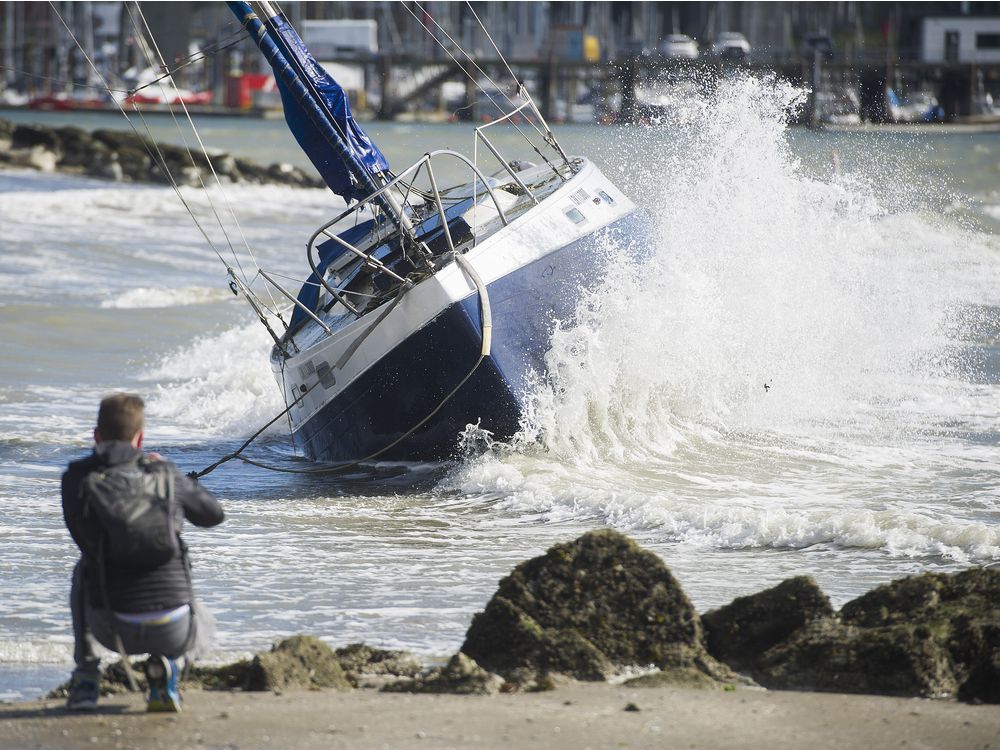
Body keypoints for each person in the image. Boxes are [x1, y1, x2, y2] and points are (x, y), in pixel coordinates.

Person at [62, 393, 224, 712]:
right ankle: (163, 671)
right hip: (177, 632)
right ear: (141, 437)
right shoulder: (164, 473)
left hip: (112, 628)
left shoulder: (78, 478)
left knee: (85, 567)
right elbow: (213, 515)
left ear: (96, 436)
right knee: (177, 559)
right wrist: (171, 473)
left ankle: (86, 679)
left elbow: (84, 540)